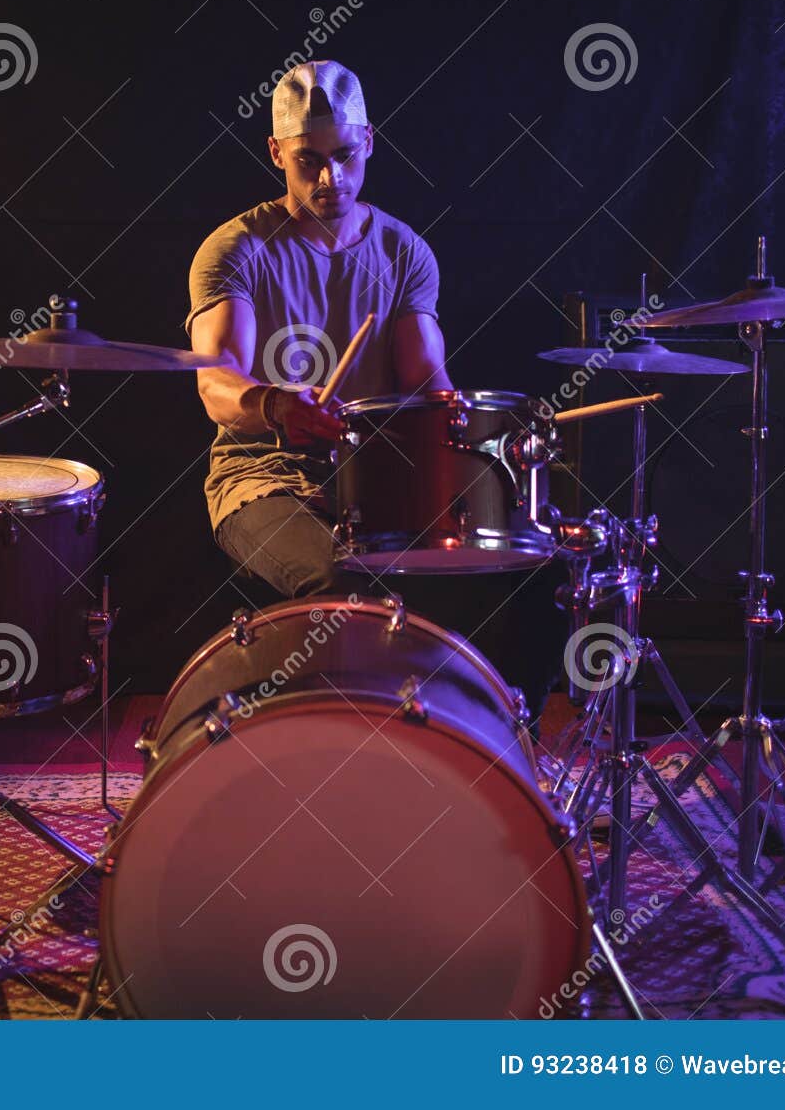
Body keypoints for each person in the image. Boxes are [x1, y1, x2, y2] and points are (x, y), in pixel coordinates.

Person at [185, 59, 562, 716]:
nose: (331, 179)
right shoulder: (236, 249)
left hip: (380, 483)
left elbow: (428, 382)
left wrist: (482, 438)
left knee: (538, 571)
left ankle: (498, 740)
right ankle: (340, 749)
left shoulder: (404, 252)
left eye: (345, 157)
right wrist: (274, 405)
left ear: (369, 142)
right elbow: (217, 383)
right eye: (309, 161)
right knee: (341, 580)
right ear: (276, 152)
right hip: (261, 478)